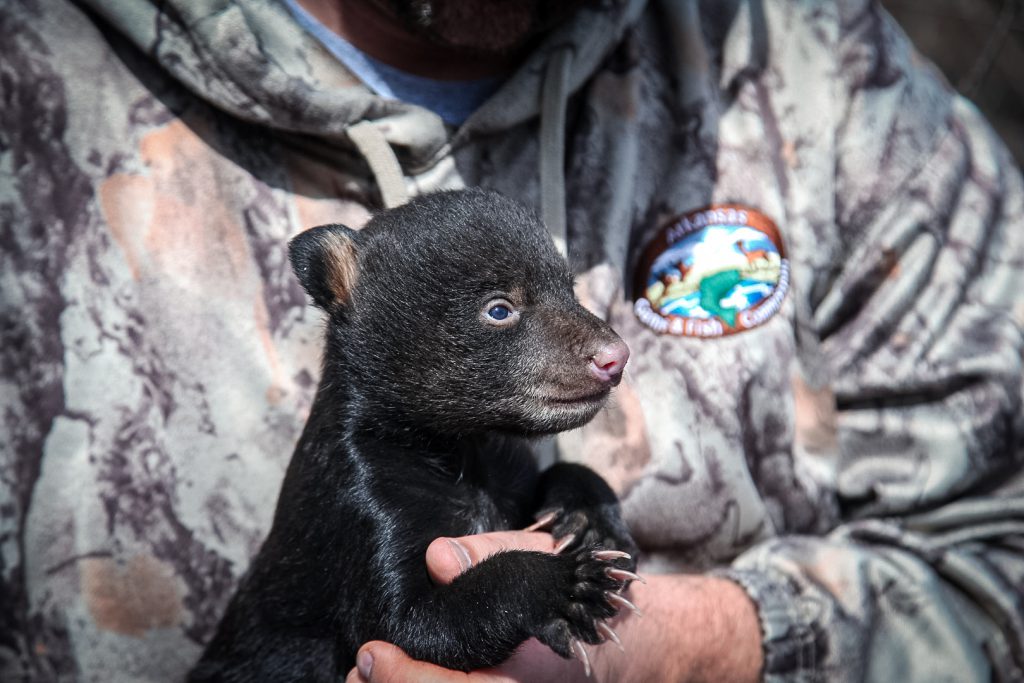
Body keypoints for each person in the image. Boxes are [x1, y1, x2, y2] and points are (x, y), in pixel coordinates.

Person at [1, 0, 1021, 682]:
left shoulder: (809, 57)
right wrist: (548, 586)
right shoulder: (29, 83)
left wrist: (700, 640)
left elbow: (998, 547)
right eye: (504, 311)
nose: (602, 346)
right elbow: (413, 612)